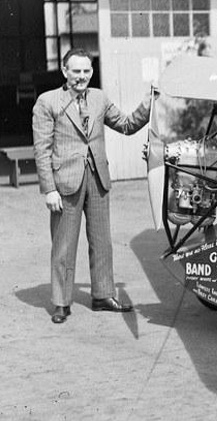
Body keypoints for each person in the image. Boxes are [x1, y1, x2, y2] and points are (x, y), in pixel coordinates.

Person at [32, 48, 156, 324]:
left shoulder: (99, 98)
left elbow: (126, 125)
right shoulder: (47, 102)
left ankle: (102, 295)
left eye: (87, 71)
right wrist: (49, 189)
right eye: (76, 71)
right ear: (64, 71)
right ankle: (61, 302)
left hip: (98, 179)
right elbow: (41, 150)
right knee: (64, 245)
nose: (82, 76)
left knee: (102, 242)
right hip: (65, 183)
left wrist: (149, 102)